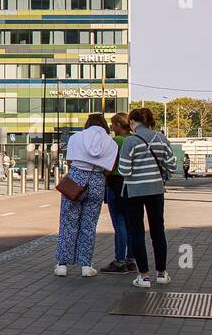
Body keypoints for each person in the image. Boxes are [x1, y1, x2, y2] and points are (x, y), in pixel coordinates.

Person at [117, 107, 176, 288]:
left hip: (133, 191)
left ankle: (143, 276)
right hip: (156, 190)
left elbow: (124, 169)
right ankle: (162, 273)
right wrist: (160, 176)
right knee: (158, 230)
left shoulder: (131, 141)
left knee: (137, 232)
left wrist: (136, 173)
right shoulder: (161, 138)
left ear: (133, 122)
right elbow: (172, 165)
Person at [55, 114, 119, 278]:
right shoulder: (110, 143)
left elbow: (69, 161)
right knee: (89, 225)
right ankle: (86, 265)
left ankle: (62, 264)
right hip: (97, 181)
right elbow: (109, 169)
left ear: (88, 124)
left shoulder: (76, 138)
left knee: (68, 222)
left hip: (76, 179)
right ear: (104, 125)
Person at [100, 113, 137, 274]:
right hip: (132, 186)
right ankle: (131, 260)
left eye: (113, 124)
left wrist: (104, 173)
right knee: (130, 225)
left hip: (116, 184)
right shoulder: (134, 140)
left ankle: (119, 261)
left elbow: (110, 165)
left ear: (118, 125)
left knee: (119, 225)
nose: (111, 127)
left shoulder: (116, 141)